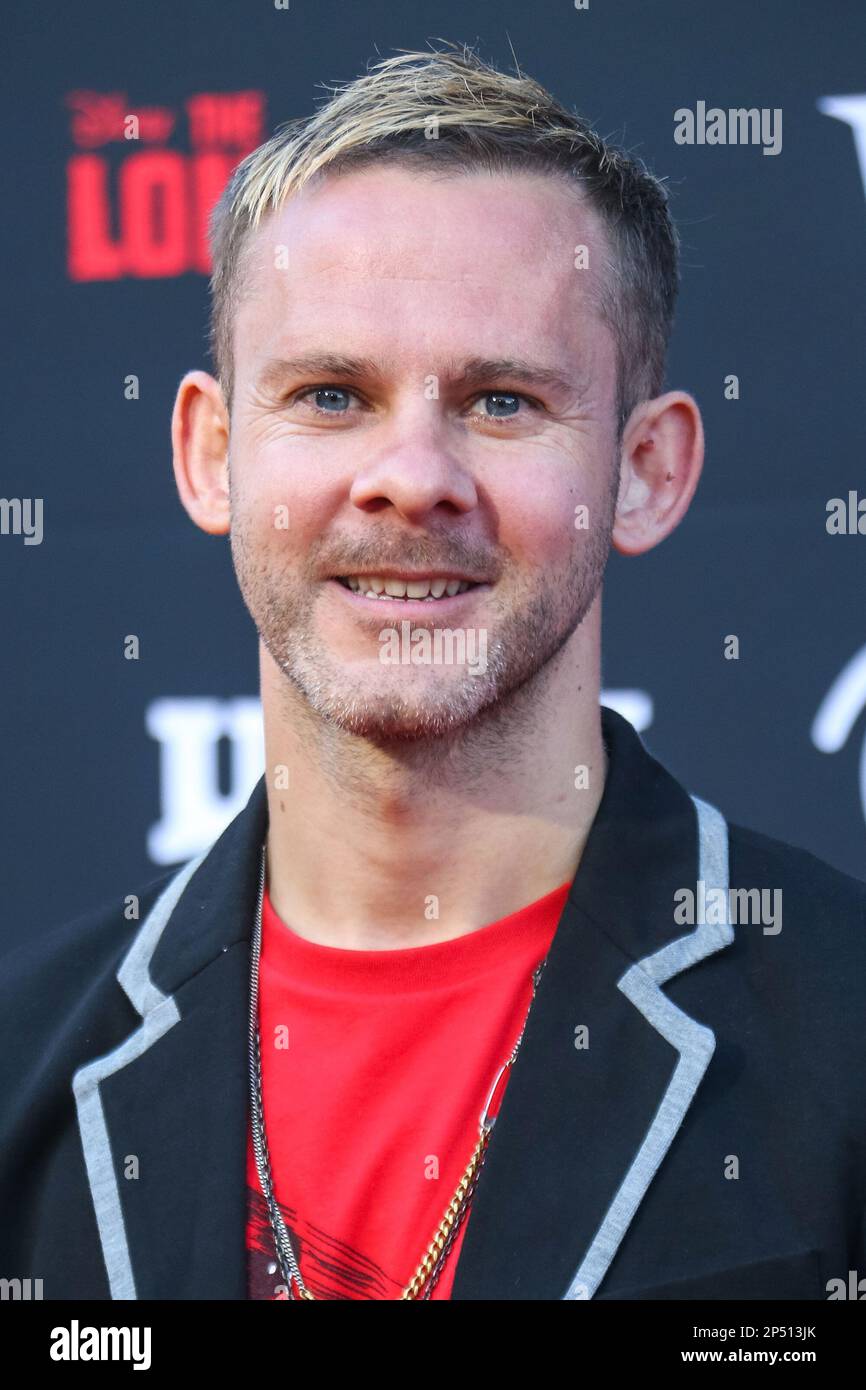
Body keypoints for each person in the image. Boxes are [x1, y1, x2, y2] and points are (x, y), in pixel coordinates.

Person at [2, 43, 864, 1303]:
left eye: (501, 401)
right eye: (331, 394)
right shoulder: (24, 1068)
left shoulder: (840, 1035)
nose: (411, 477)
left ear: (643, 472)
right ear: (210, 454)